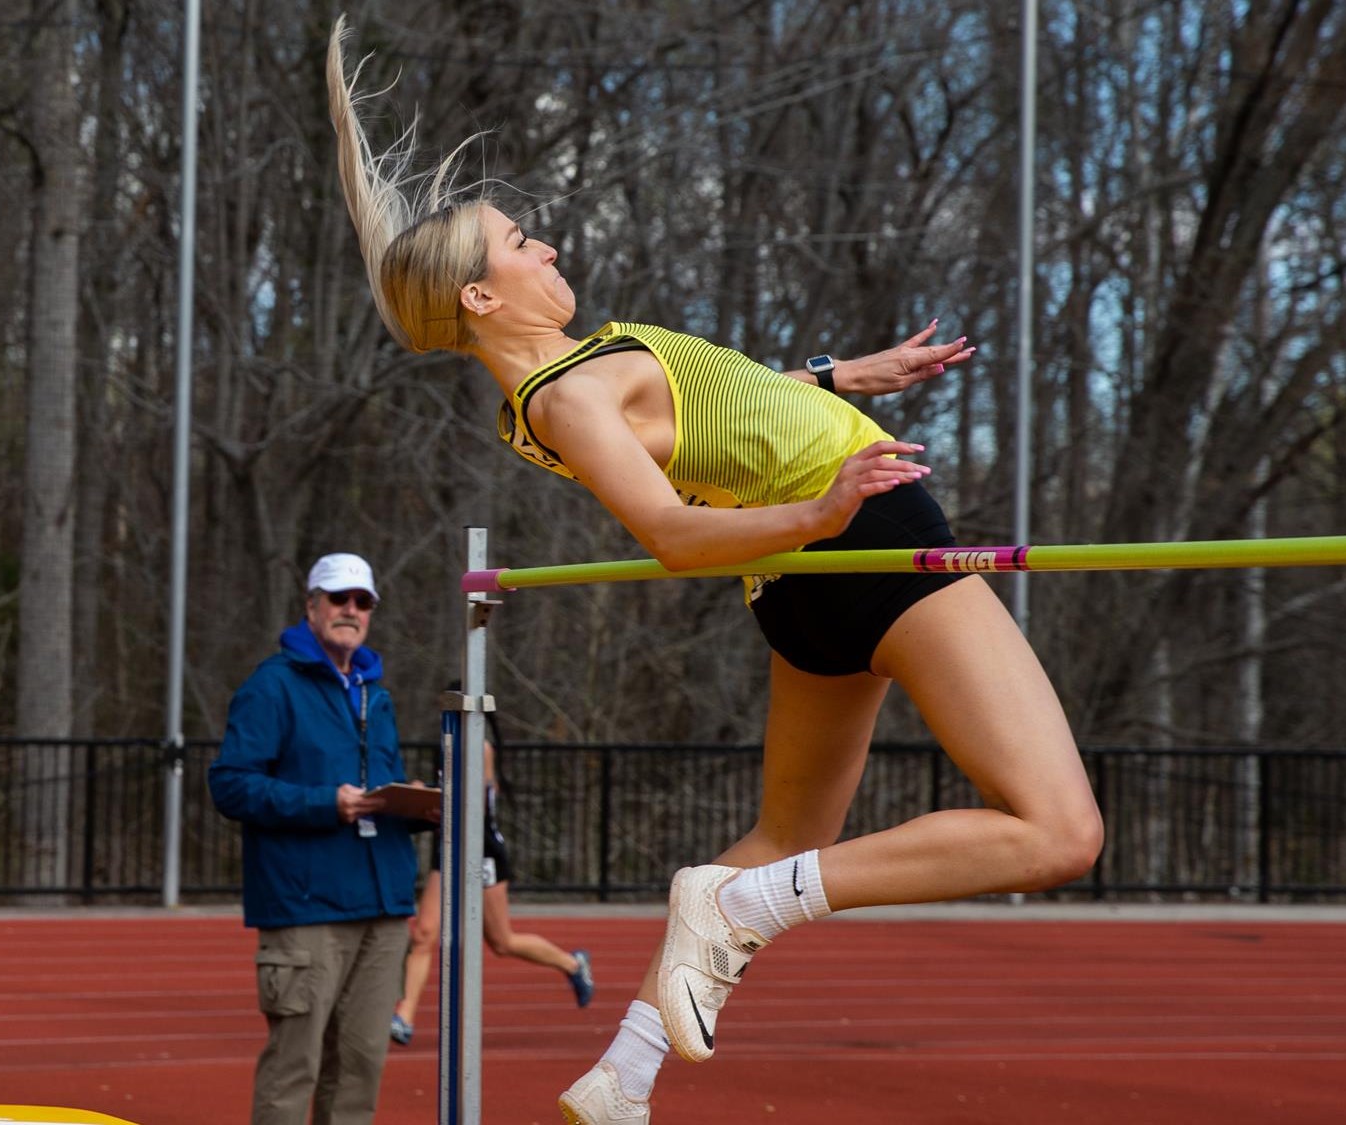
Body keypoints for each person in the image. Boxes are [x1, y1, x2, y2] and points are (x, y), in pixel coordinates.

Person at [325, 20, 1105, 1125]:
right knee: (1057, 833)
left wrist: (841, 376)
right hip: (857, 544)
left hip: (803, 583)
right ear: (480, 300)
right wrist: (828, 501)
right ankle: (747, 904)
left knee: (785, 839)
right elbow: (666, 533)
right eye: (517, 243)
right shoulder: (568, 396)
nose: (544, 247)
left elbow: (722, 409)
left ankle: (623, 1074)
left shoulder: (575, 385)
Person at [208, 552, 426, 1125]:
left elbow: (376, 783)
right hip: (306, 908)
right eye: (338, 599)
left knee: (361, 1067)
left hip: (381, 907)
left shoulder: (374, 693)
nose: (350, 611)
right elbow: (230, 785)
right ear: (311, 606)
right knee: (293, 1067)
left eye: (362, 602)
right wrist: (323, 804)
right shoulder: (272, 686)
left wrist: (416, 802)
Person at [389, 703, 592, 1047]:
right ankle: (404, 1016)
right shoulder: (447, 744)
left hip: (481, 850)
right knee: (424, 932)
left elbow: (474, 809)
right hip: (448, 846)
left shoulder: (479, 748)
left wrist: (433, 798)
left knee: (501, 941)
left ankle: (572, 964)